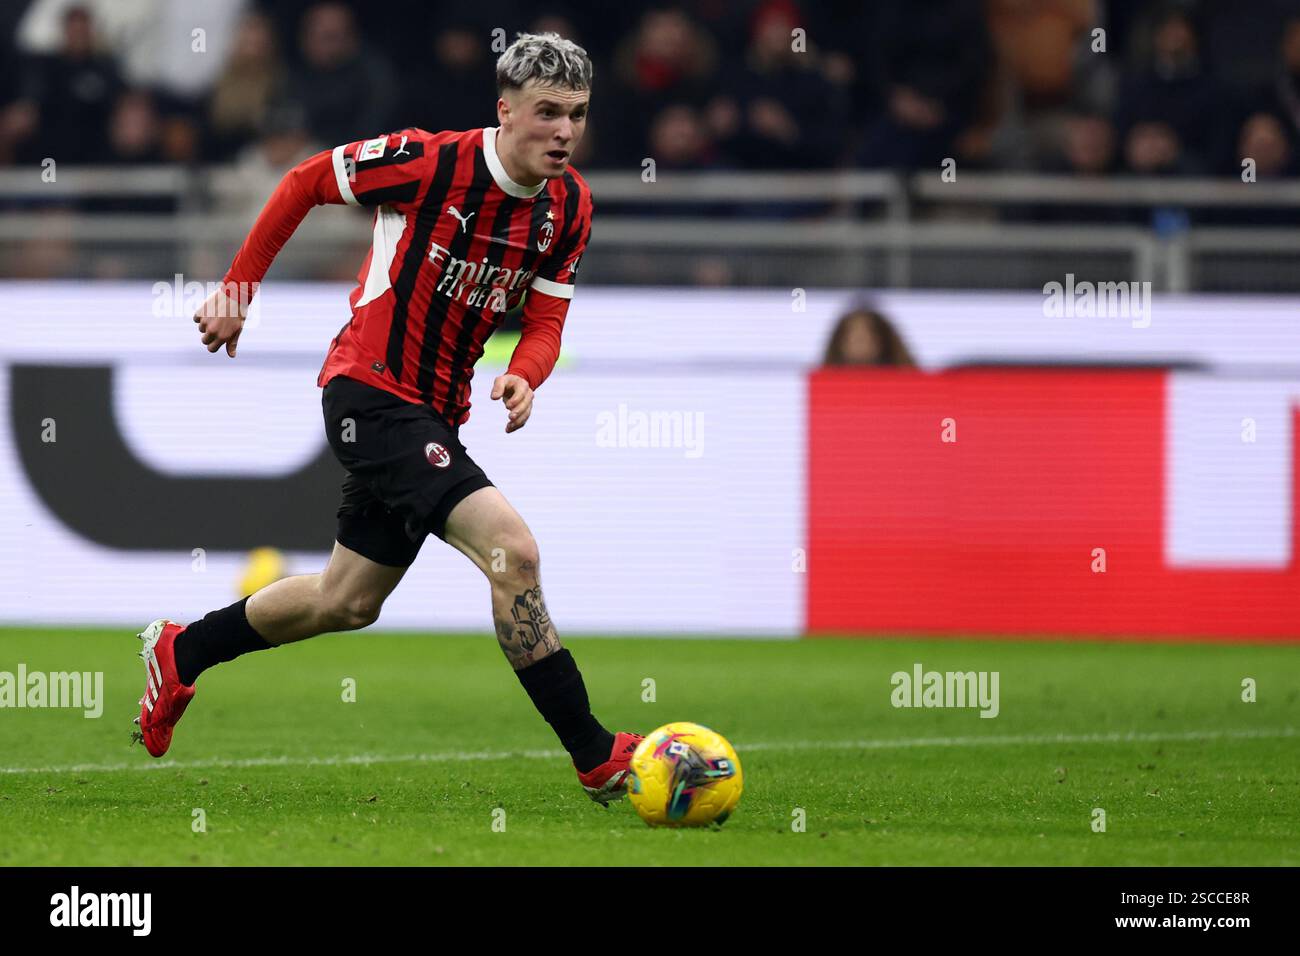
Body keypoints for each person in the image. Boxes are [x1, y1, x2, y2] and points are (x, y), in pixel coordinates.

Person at [133, 32, 643, 805]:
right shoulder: (429, 161)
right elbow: (304, 180)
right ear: (506, 111)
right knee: (514, 553)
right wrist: (238, 292)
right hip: (368, 392)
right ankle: (597, 755)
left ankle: (183, 651)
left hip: (438, 414)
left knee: (348, 600)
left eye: (576, 114)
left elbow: (544, 322)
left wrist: (525, 375)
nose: (565, 132)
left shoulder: (568, 208)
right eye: (547, 113)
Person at [822, 306, 915, 367]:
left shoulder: (910, 384)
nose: (860, 343)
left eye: (868, 337)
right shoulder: (823, 387)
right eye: (853, 338)